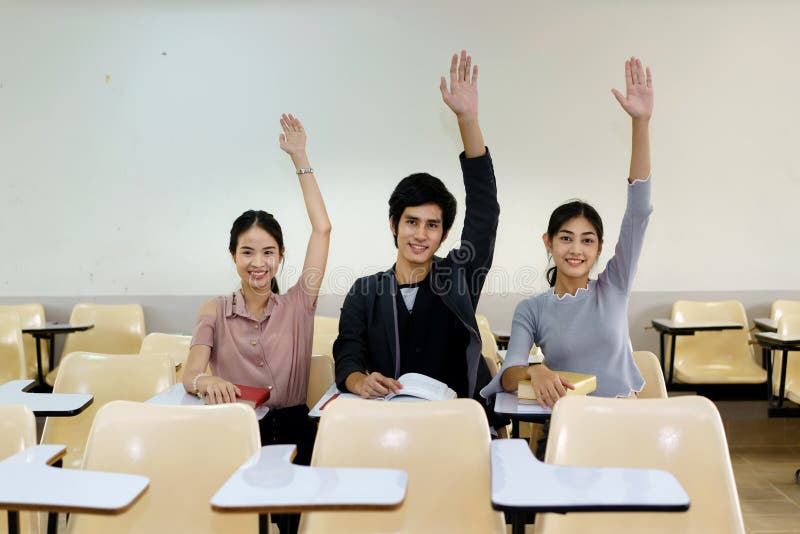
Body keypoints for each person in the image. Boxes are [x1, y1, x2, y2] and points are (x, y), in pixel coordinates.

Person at [333, 50, 504, 427]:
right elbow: (347, 351)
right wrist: (359, 381)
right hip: (386, 425)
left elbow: (484, 213)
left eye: (432, 225)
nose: (420, 234)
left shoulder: (459, 277)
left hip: (454, 424)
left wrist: (468, 121)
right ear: (393, 224)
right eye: (412, 222)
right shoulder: (364, 292)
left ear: (443, 234)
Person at [482, 57, 654, 411]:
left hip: (626, 418)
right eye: (566, 237)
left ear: (599, 248)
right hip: (570, 423)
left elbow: (638, 212)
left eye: (587, 240)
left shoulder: (614, 286)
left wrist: (641, 123)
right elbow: (510, 371)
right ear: (548, 242)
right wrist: (536, 370)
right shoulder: (532, 310)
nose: (576, 249)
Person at [183, 113, 330, 475]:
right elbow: (189, 375)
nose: (258, 263)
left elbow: (322, 229)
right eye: (247, 252)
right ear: (233, 256)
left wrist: (301, 159)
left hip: (298, 432)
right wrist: (207, 381)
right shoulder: (214, 309)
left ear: (280, 256)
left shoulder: (299, 303)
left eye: (268, 252)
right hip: (237, 432)